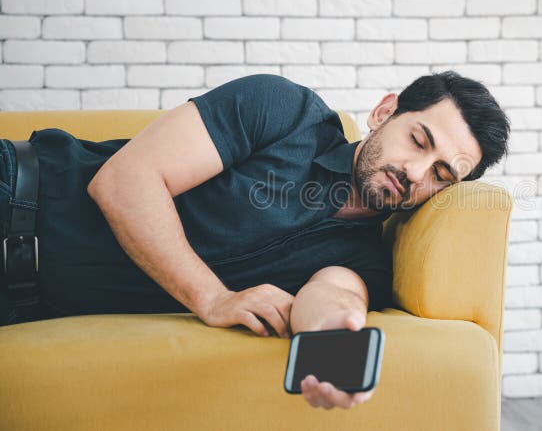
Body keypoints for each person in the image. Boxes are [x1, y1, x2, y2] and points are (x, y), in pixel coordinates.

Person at [0, 70, 510, 410]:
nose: (416, 171)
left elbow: (332, 297)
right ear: (384, 113)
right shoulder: (285, 112)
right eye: (418, 140)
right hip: (17, 193)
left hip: (22, 303)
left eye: (442, 174)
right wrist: (213, 297)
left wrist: (335, 344)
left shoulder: (365, 260)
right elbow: (123, 180)